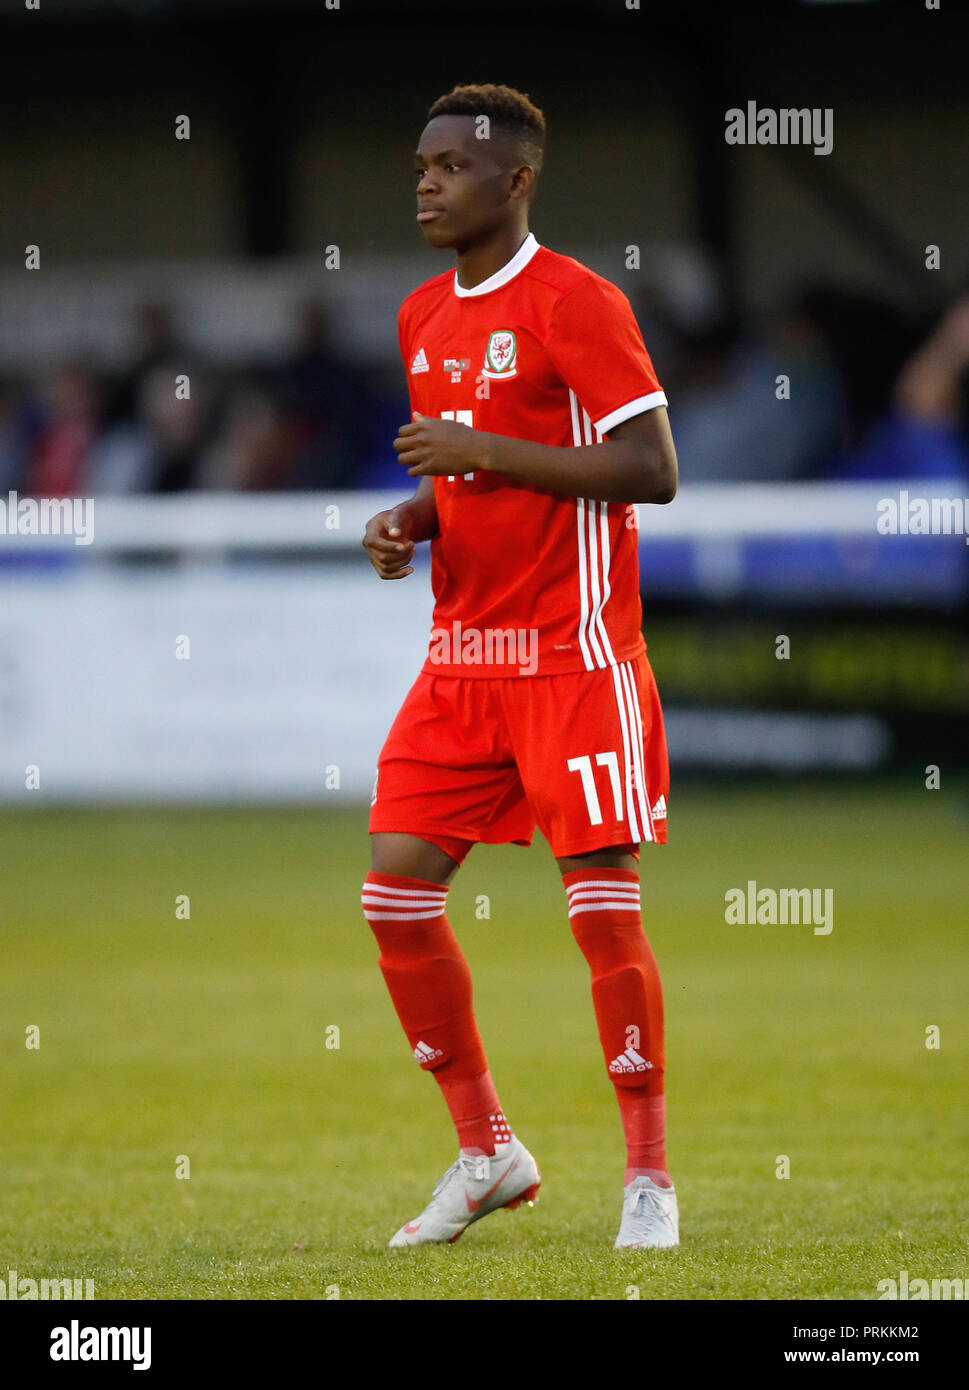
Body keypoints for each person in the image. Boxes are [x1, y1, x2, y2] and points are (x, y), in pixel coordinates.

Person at [360, 83, 679, 1250]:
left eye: (451, 164)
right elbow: (472, 483)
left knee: (601, 914)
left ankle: (647, 1178)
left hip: (573, 658)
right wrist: (415, 517)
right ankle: (487, 1147)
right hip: (463, 662)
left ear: (518, 179)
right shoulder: (419, 316)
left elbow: (651, 468)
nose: (428, 182)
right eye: (420, 164)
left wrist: (474, 452)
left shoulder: (578, 302)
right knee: (393, 893)